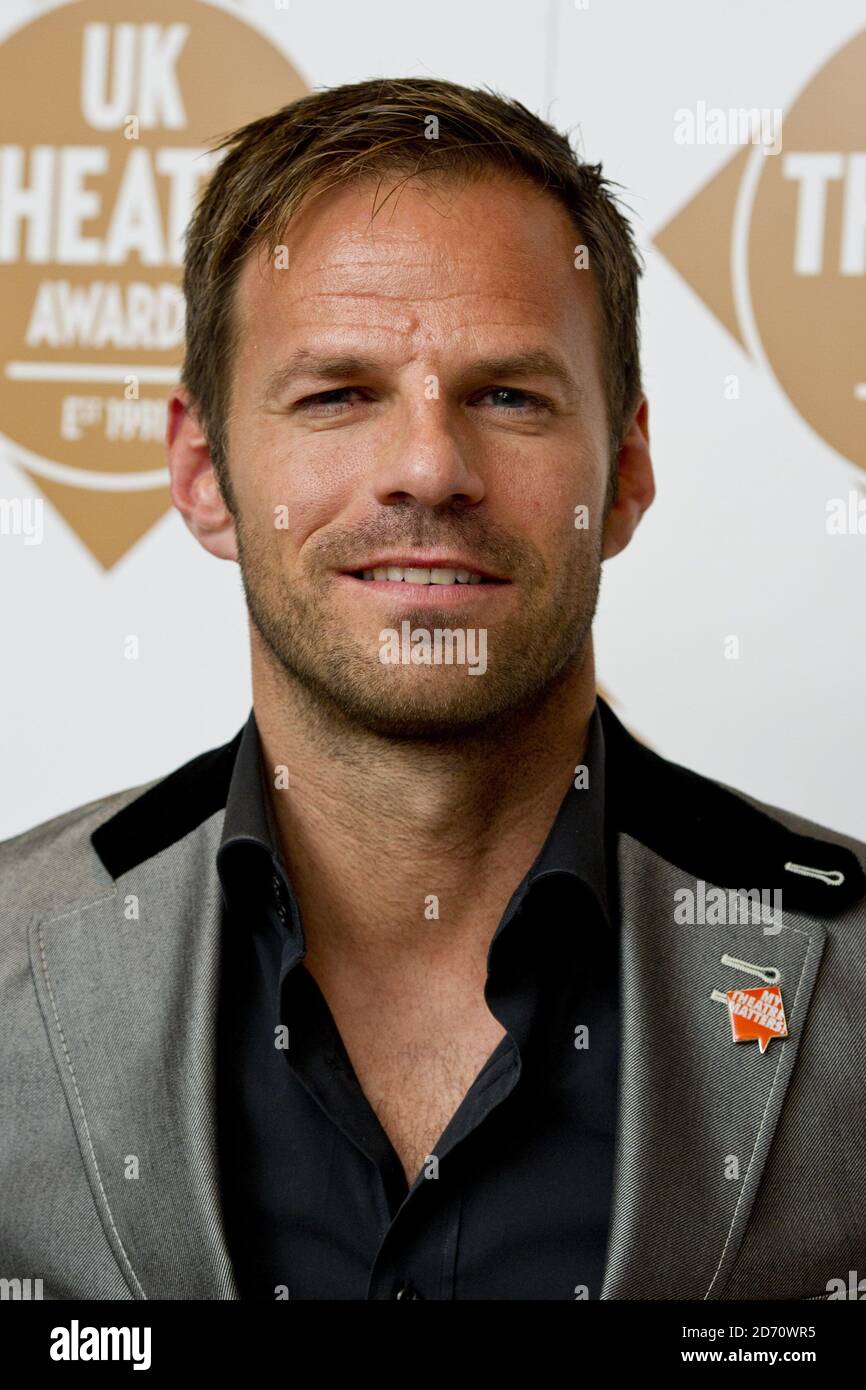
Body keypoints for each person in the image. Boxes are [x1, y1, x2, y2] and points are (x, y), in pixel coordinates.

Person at [1, 77, 864, 1302]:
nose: (426, 467)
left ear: (622, 472)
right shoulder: (9, 972)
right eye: (338, 393)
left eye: (507, 395)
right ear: (201, 469)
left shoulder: (849, 974)